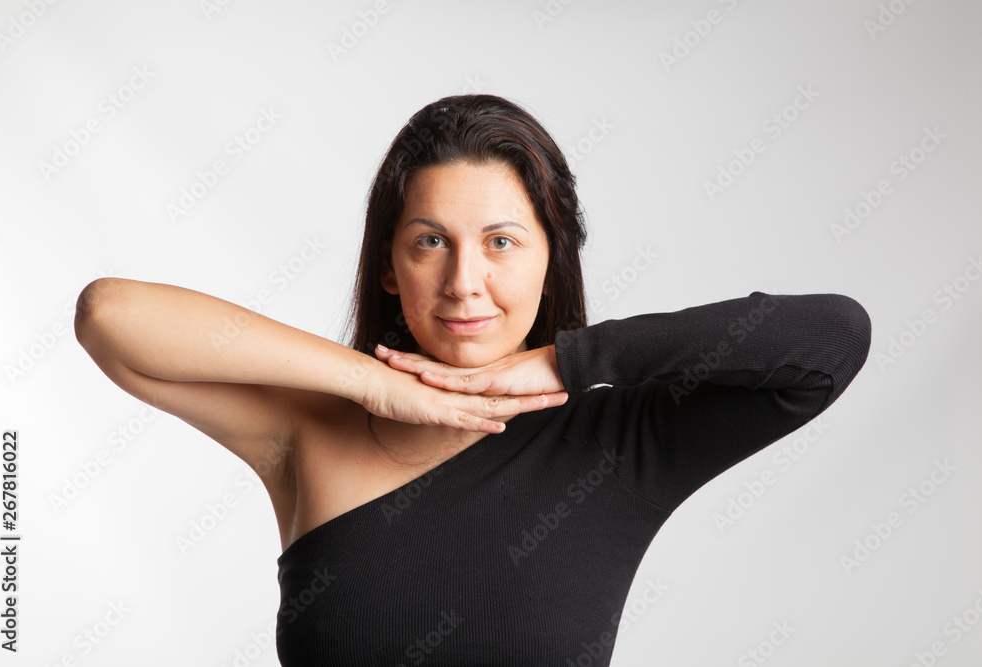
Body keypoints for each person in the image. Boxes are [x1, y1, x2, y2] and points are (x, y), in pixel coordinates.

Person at [74, 94, 871, 666]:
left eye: (501, 241)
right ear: (389, 265)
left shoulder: (619, 444)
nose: (463, 282)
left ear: (550, 255)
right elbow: (111, 315)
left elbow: (832, 339)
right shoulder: (305, 435)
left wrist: (568, 360)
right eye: (429, 241)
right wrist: (372, 384)